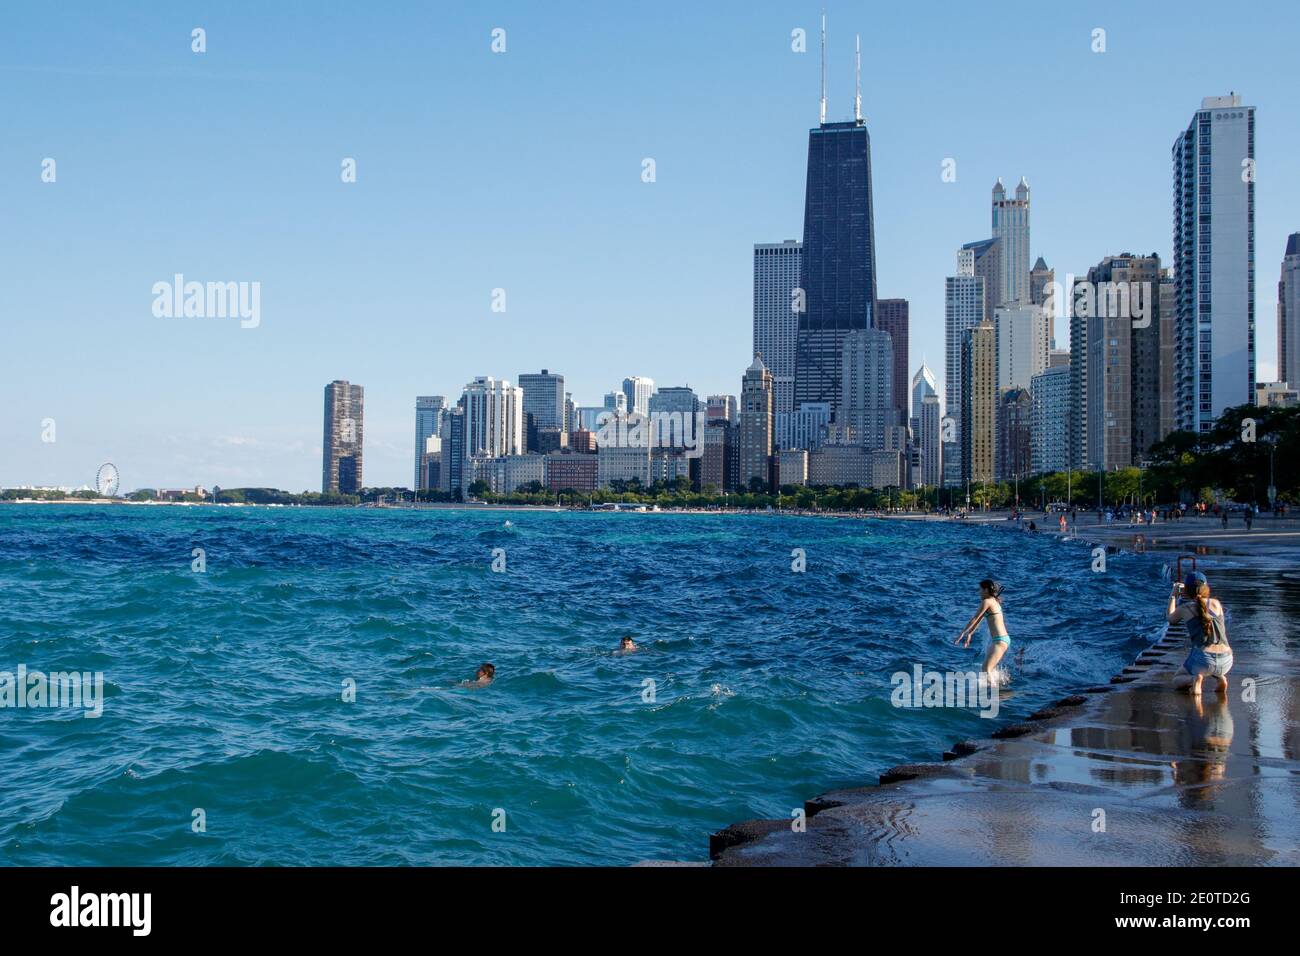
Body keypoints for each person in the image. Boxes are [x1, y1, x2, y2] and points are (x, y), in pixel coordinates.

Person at [1166, 572, 1232, 696]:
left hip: (1203, 660)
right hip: (1227, 660)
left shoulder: (1185, 608)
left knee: (1176, 679)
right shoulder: (1216, 604)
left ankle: (1194, 680)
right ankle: (1220, 677)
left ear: (1186, 590)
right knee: (1213, 664)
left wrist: (1174, 594)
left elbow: (1170, 619)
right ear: (1206, 588)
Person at [955, 579, 1011, 685]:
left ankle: (996, 693)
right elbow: (979, 619)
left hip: (1000, 641)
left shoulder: (987, 601)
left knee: (986, 669)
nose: (978, 592)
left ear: (985, 590)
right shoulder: (993, 601)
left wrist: (962, 632)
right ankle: (998, 684)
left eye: (979, 590)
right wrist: (970, 633)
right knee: (988, 668)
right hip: (1001, 640)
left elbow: (975, 618)